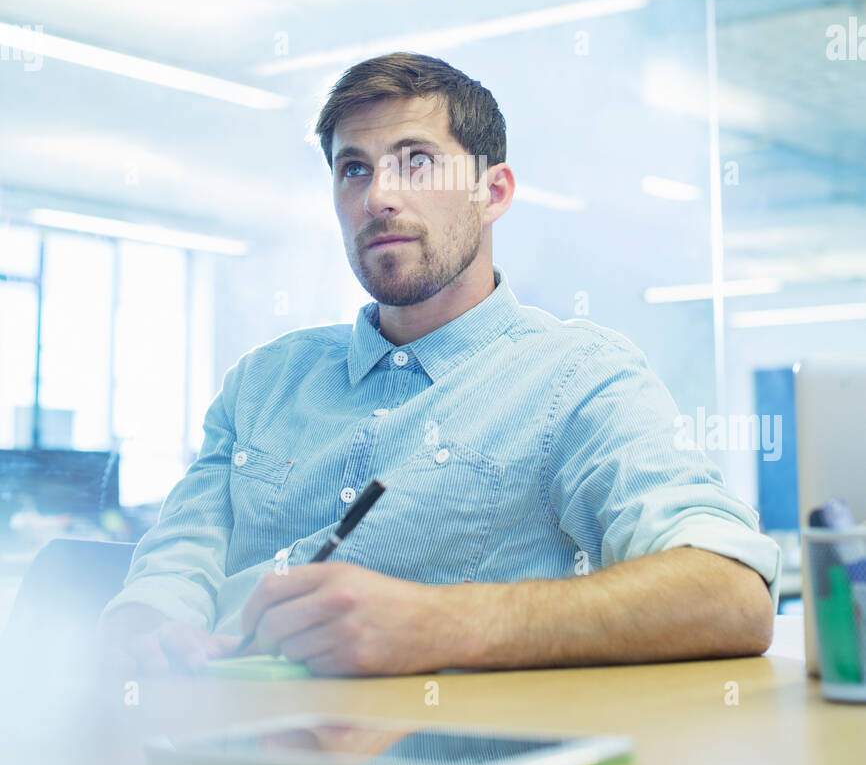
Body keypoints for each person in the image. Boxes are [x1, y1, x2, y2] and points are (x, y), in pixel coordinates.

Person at [99, 51, 780, 676]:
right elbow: (176, 564)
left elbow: (728, 594)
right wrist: (145, 627)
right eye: (354, 168)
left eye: (415, 161)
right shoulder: (262, 382)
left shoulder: (578, 378)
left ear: (494, 193)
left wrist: (446, 623)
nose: (377, 197)